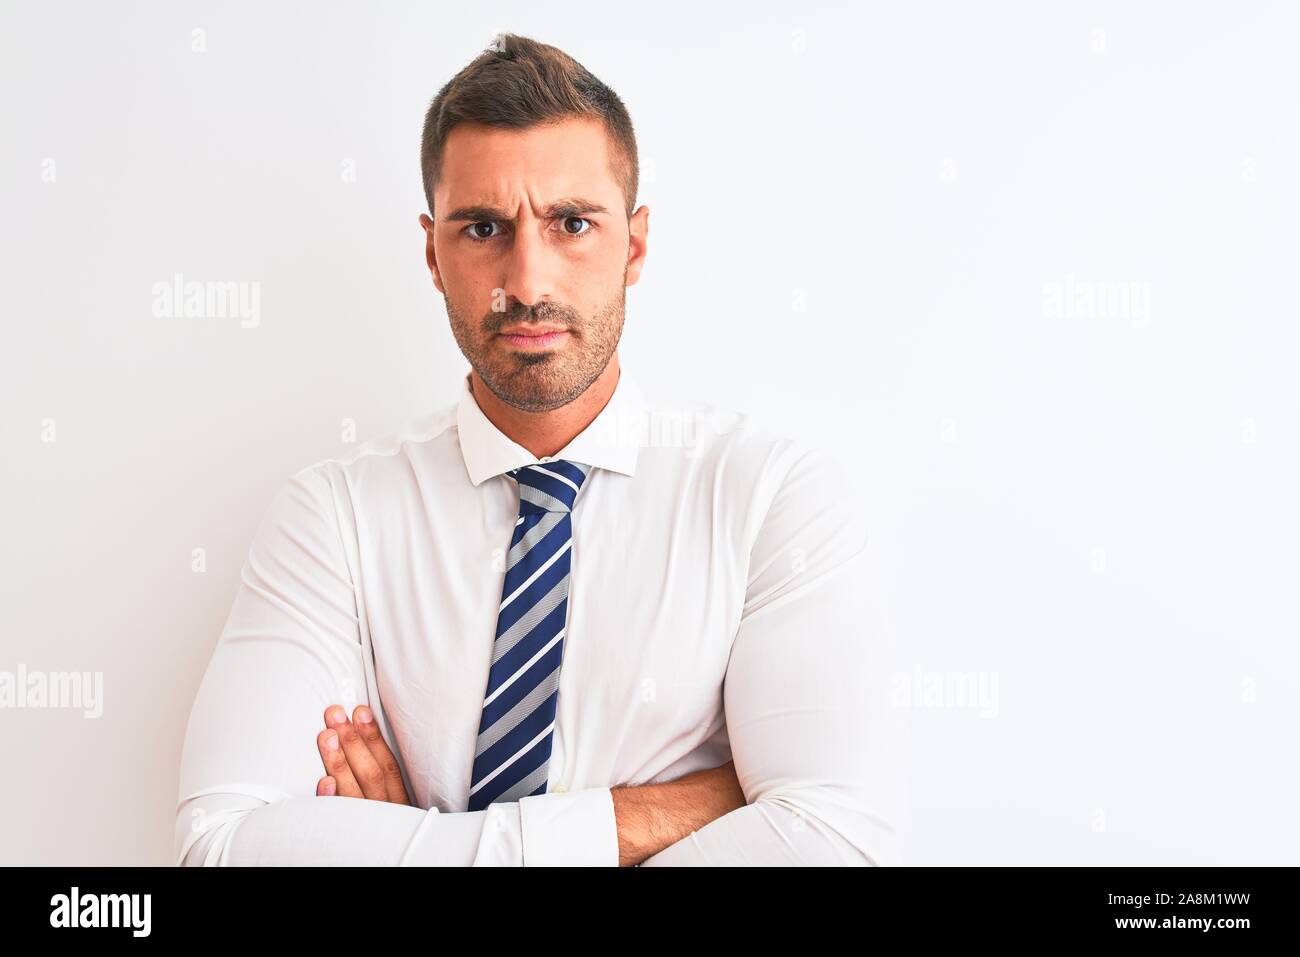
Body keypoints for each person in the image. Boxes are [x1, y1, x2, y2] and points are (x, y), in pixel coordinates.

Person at [175, 32, 901, 866]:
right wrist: (661, 813)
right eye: (484, 227)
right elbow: (217, 848)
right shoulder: (334, 517)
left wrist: (419, 847)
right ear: (433, 254)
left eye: (572, 223)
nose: (526, 282)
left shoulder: (769, 499)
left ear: (634, 246)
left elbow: (840, 840)